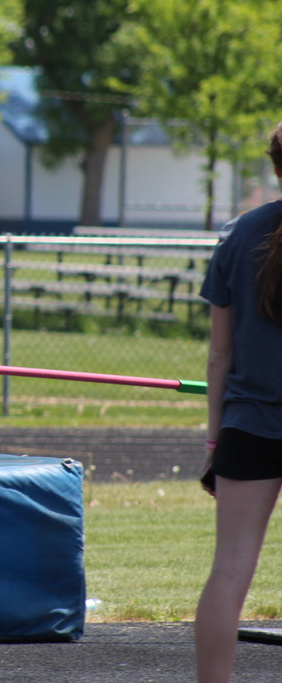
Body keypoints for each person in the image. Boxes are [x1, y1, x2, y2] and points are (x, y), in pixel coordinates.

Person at [195, 120, 282, 682]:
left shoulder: (238, 234)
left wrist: (214, 438)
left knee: (229, 573)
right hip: (251, 424)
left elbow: (218, 357)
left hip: (249, 426)